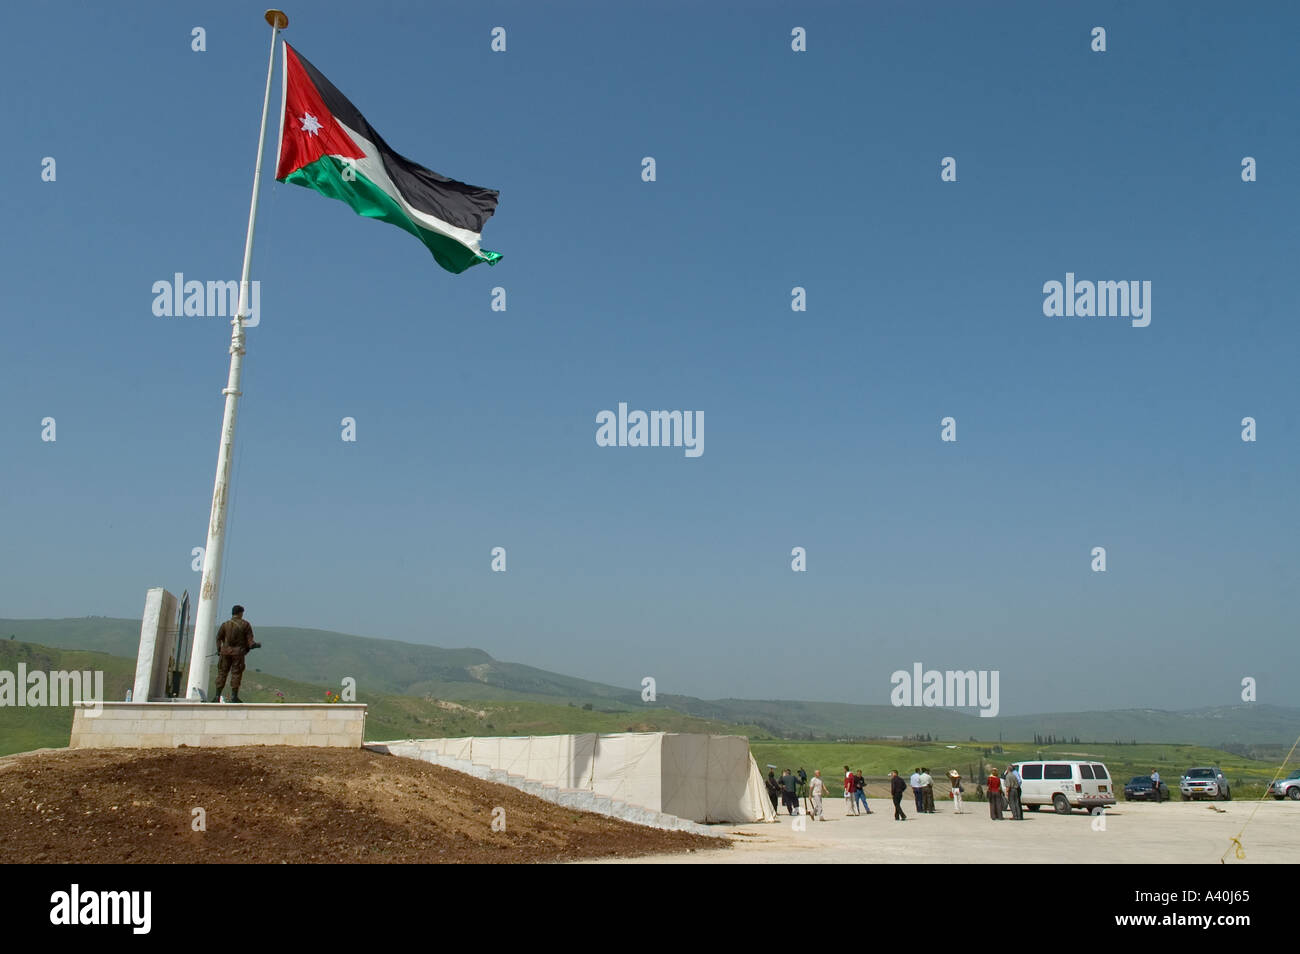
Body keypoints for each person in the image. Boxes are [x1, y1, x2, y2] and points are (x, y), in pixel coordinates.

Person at [214, 604, 260, 703]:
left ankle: (217, 696)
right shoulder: (245, 624)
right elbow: (250, 642)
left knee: (222, 673)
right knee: (236, 674)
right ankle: (234, 697)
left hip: (225, 653)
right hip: (238, 654)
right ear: (240, 613)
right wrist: (256, 645)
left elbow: (218, 638)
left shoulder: (225, 624)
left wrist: (219, 650)